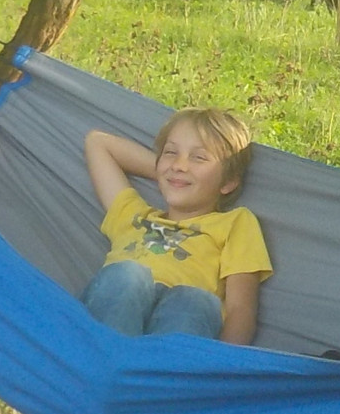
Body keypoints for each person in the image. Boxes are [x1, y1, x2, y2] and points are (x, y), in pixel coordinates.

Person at [81, 109, 271, 344]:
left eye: (199, 158)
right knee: (128, 274)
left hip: (182, 322)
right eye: (171, 153)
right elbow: (98, 143)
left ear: (229, 182)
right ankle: (105, 361)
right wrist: (169, 172)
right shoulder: (131, 215)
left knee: (194, 299)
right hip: (115, 320)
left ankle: (159, 377)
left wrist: (224, 371)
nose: (179, 164)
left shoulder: (235, 222)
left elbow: (240, 308)